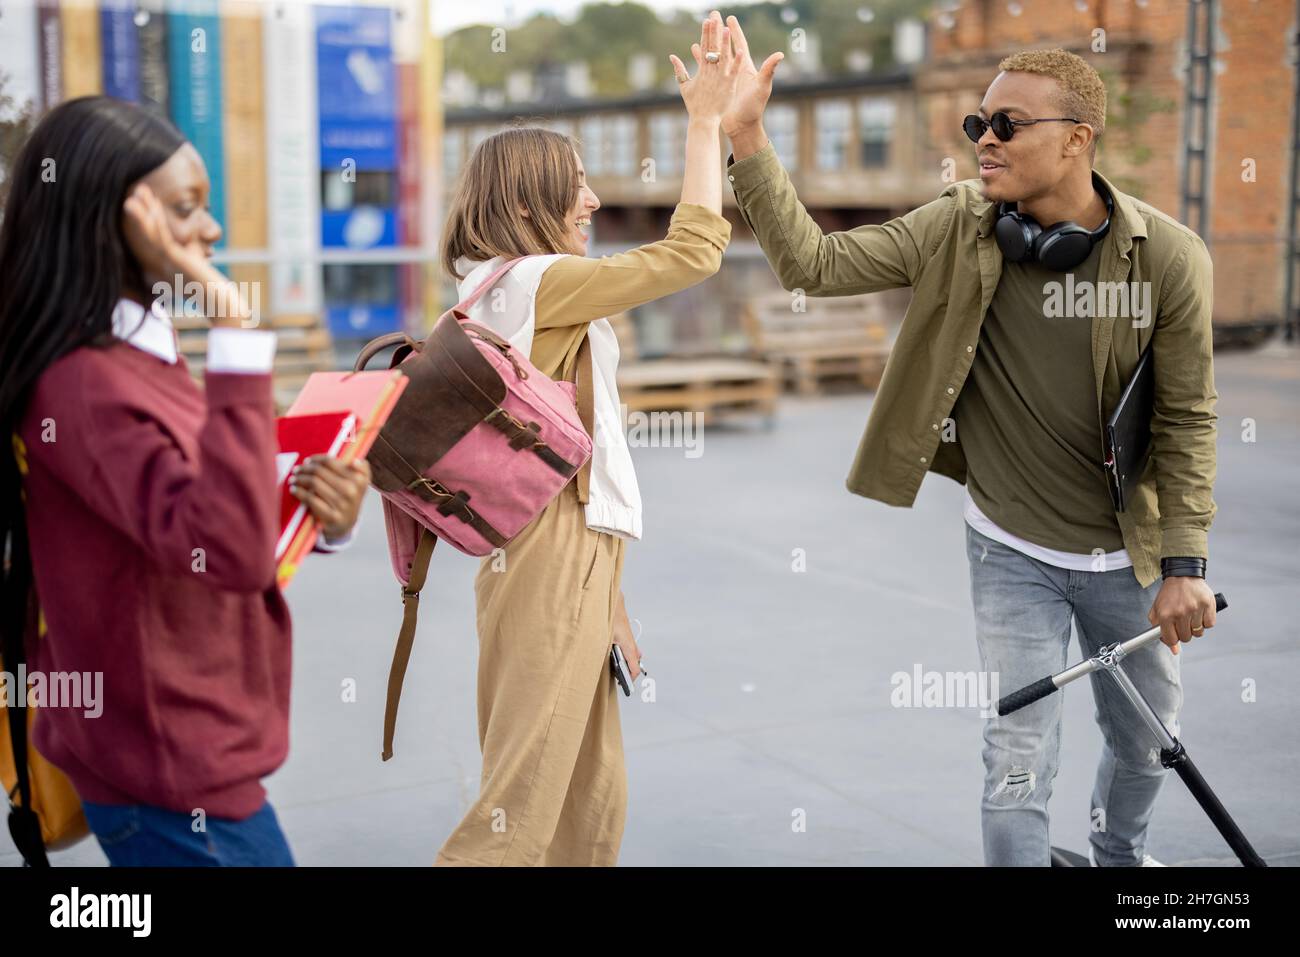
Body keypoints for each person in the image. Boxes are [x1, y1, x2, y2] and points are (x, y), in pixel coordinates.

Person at [721, 25, 1218, 867]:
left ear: (1076, 139)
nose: (984, 139)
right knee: (1017, 757)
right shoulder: (960, 225)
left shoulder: (1168, 258)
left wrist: (1186, 565)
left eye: (1008, 125)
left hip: (1129, 555)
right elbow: (814, 264)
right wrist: (746, 138)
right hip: (1009, 548)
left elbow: (1188, 417)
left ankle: (1117, 855)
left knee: (1146, 740)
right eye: (977, 124)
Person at [0, 96, 368, 866]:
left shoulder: (134, 352)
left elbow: (198, 518)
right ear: (117, 222)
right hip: (166, 765)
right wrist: (234, 327)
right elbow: (223, 549)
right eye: (185, 209)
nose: (212, 230)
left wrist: (326, 519)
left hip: (180, 745)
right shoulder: (83, 384)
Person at [430, 14, 739, 866]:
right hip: (553, 553)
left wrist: (609, 601)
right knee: (522, 800)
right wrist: (706, 122)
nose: (595, 201)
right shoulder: (534, 280)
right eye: (577, 186)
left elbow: (566, 459)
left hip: (554, 552)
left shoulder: (492, 288)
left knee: (586, 797)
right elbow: (693, 253)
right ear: (527, 203)